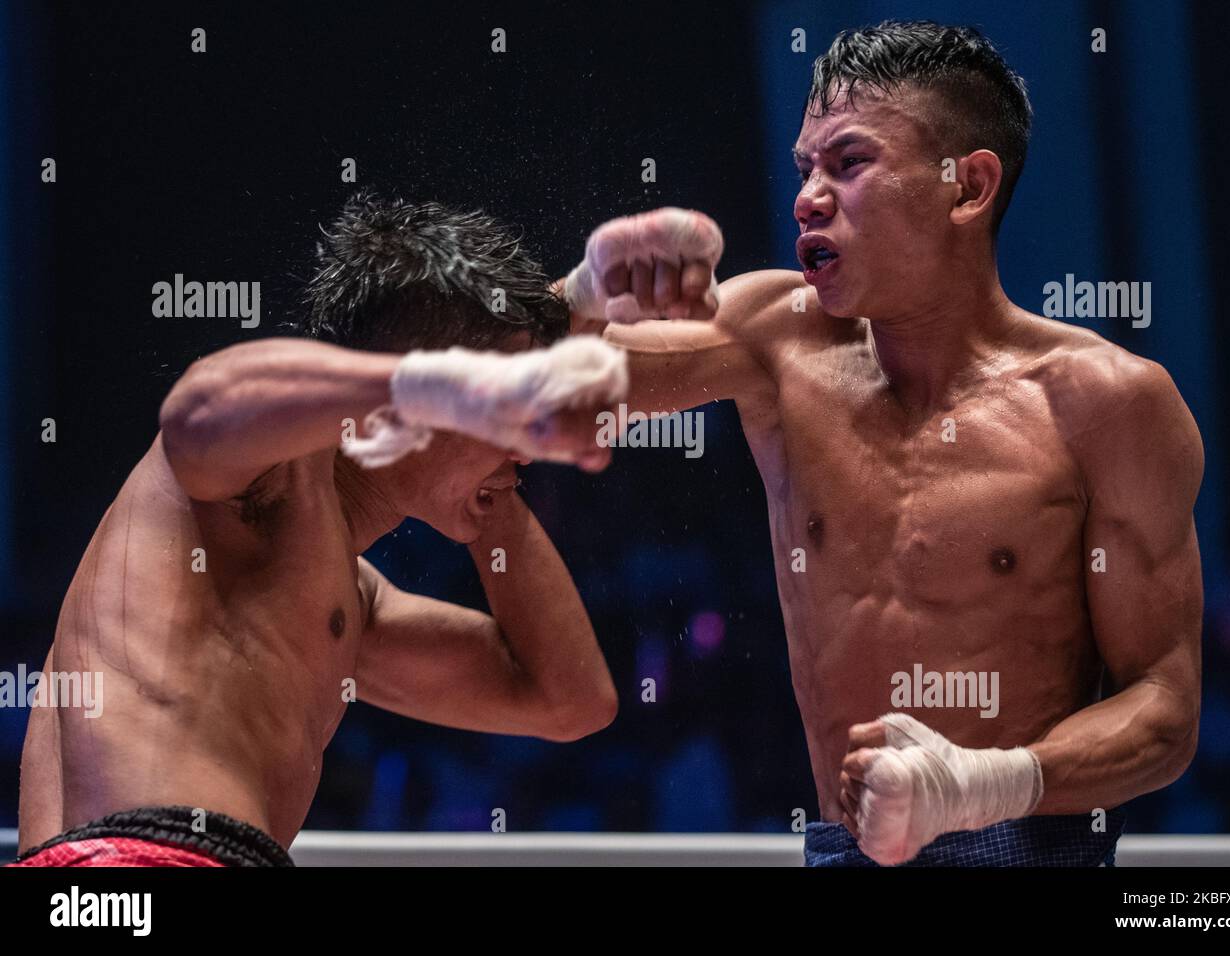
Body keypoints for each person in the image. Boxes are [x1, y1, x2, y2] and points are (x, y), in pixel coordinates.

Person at [569, 21, 1203, 866]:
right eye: (804, 169)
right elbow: (536, 394)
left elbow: (1166, 708)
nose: (807, 197)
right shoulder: (778, 339)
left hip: (1031, 845)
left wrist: (982, 782)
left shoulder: (1107, 402)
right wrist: (580, 294)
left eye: (849, 163)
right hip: (841, 847)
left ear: (967, 187)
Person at [13, 192, 711, 867]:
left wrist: (578, 305)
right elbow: (199, 404)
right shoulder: (261, 485)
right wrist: (448, 393)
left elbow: (569, 700)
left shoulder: (349, 605)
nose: (523, 449)